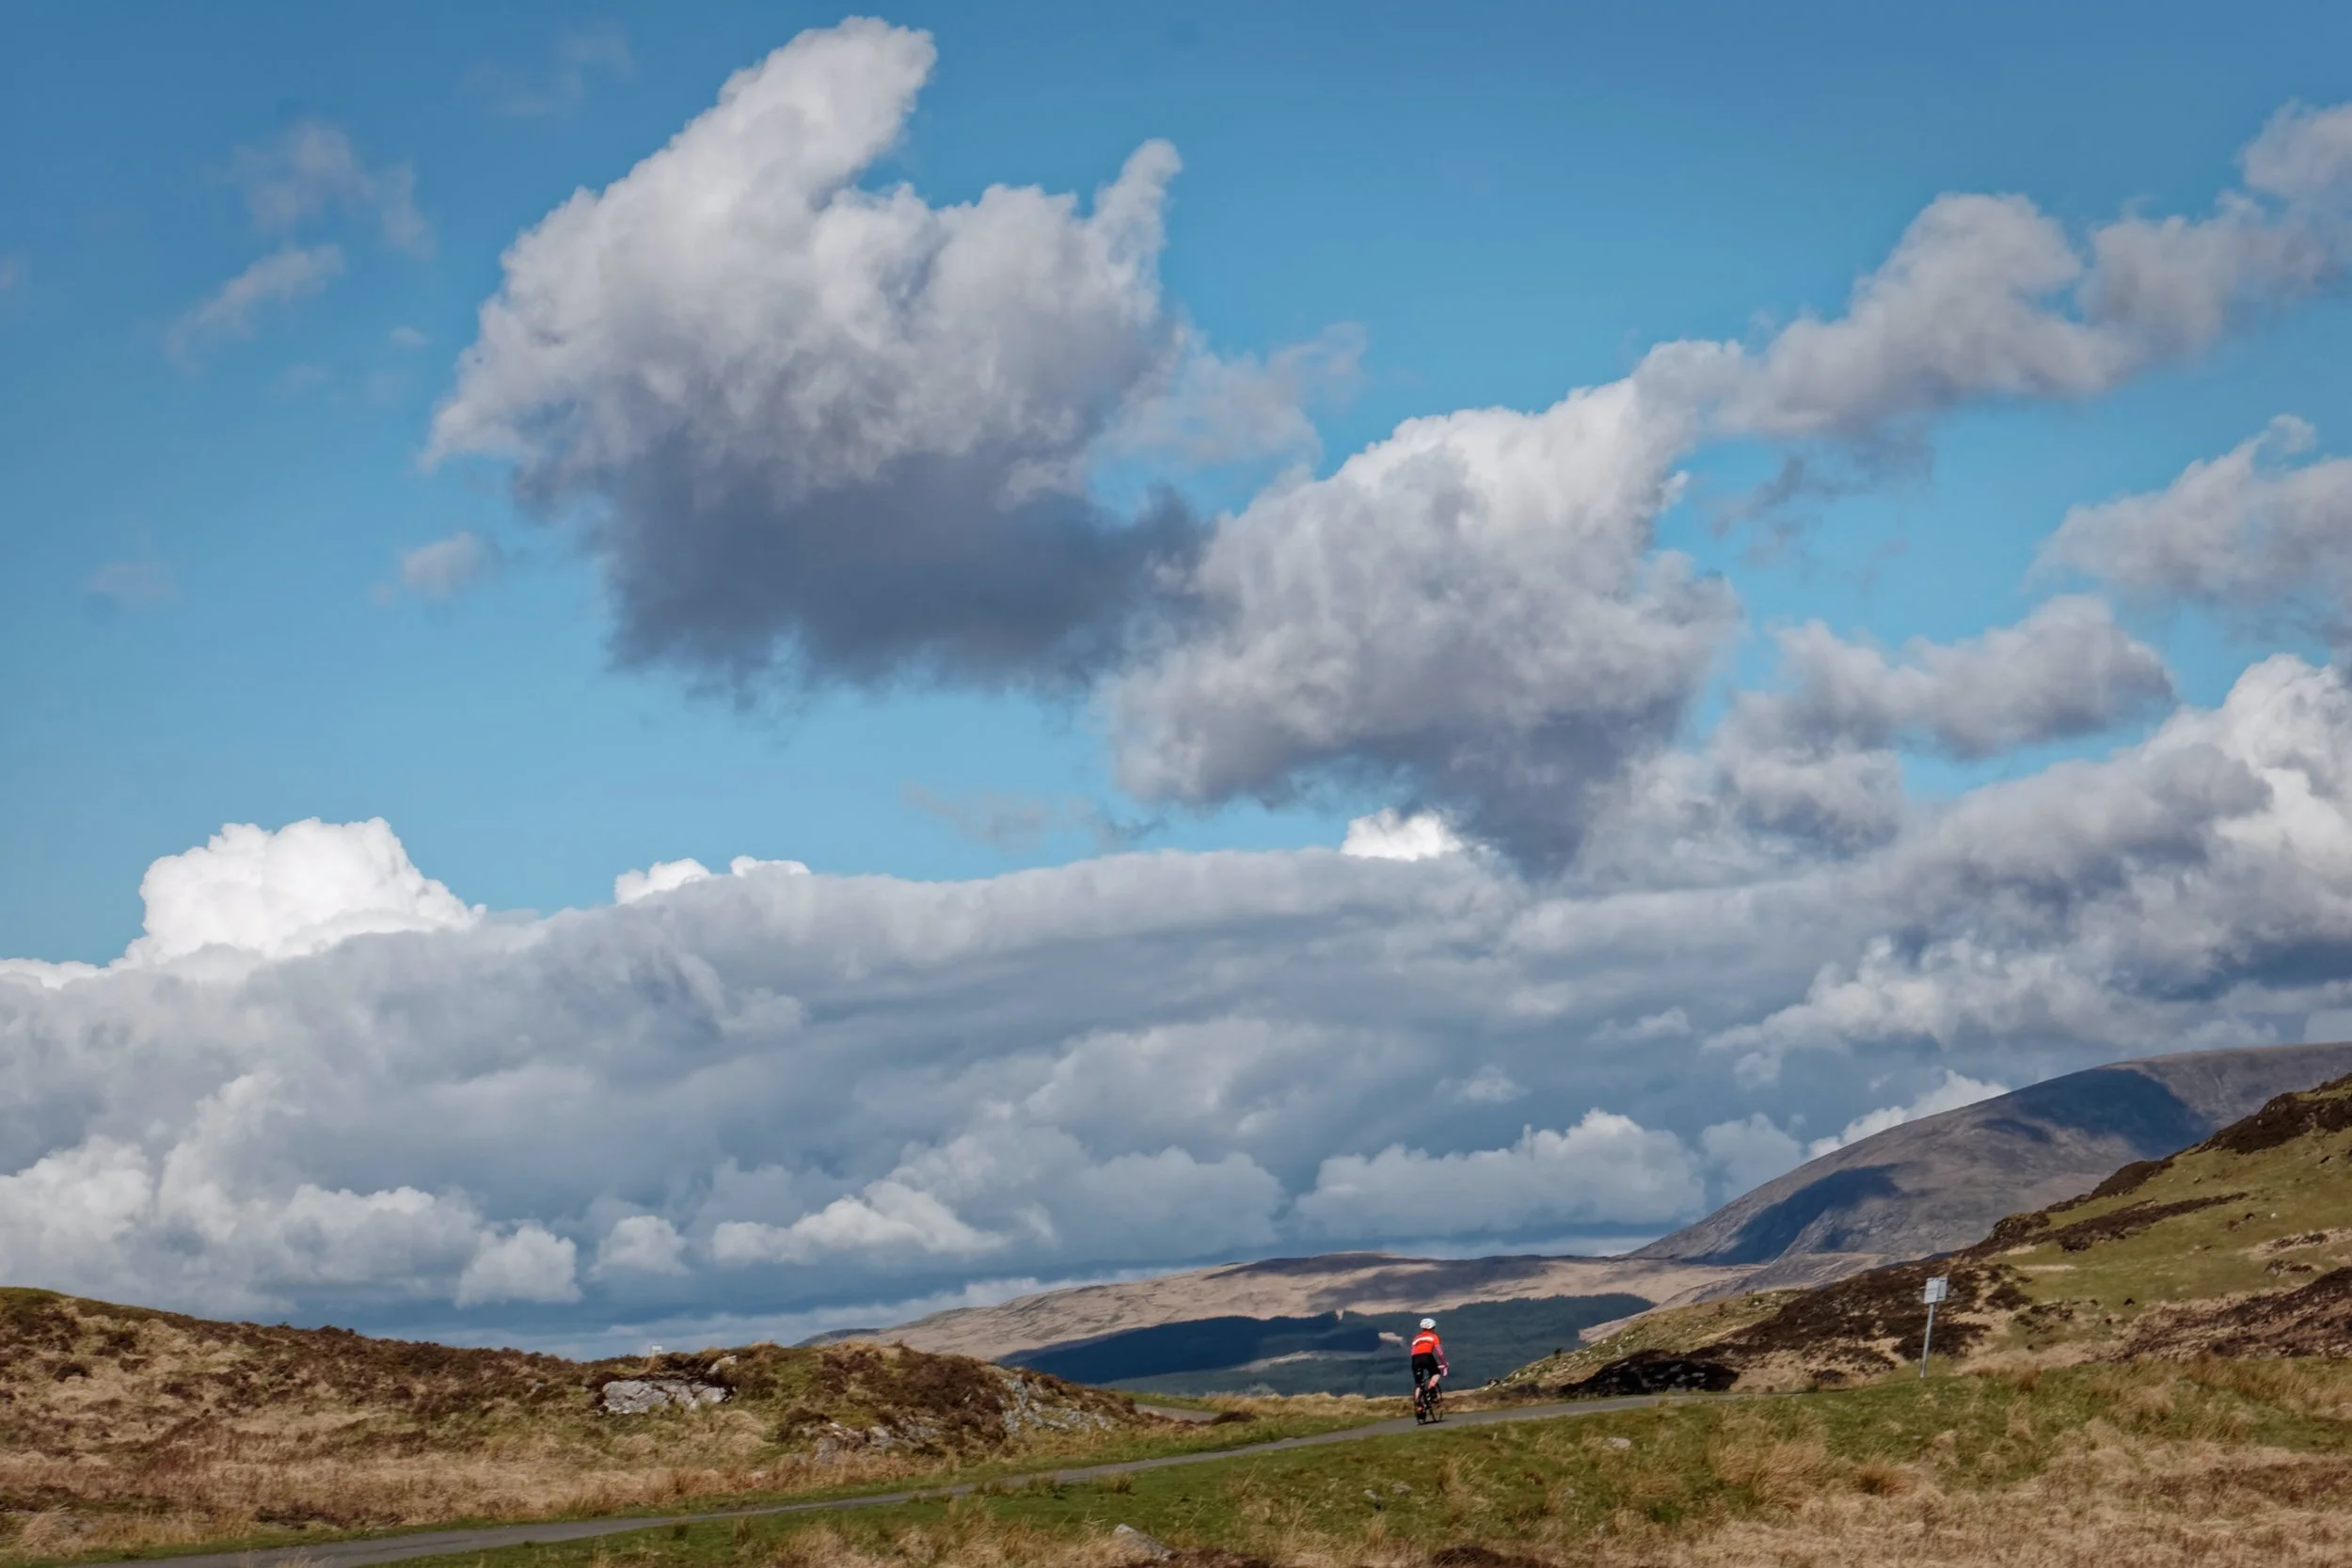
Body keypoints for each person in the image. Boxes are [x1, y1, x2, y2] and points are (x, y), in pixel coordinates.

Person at [1409, 1317, 1446, 1420]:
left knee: (1418, 1383)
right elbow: (1440, 1352)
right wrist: (1444, 1363)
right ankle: (1431, 1389)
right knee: (1436, 1373)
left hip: (1415, 1359)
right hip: (1427, 1357)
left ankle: (1418, 1404)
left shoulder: (1416, 1338)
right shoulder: (1434, 1336)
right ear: (1432, 1327)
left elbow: (1412, 1352)